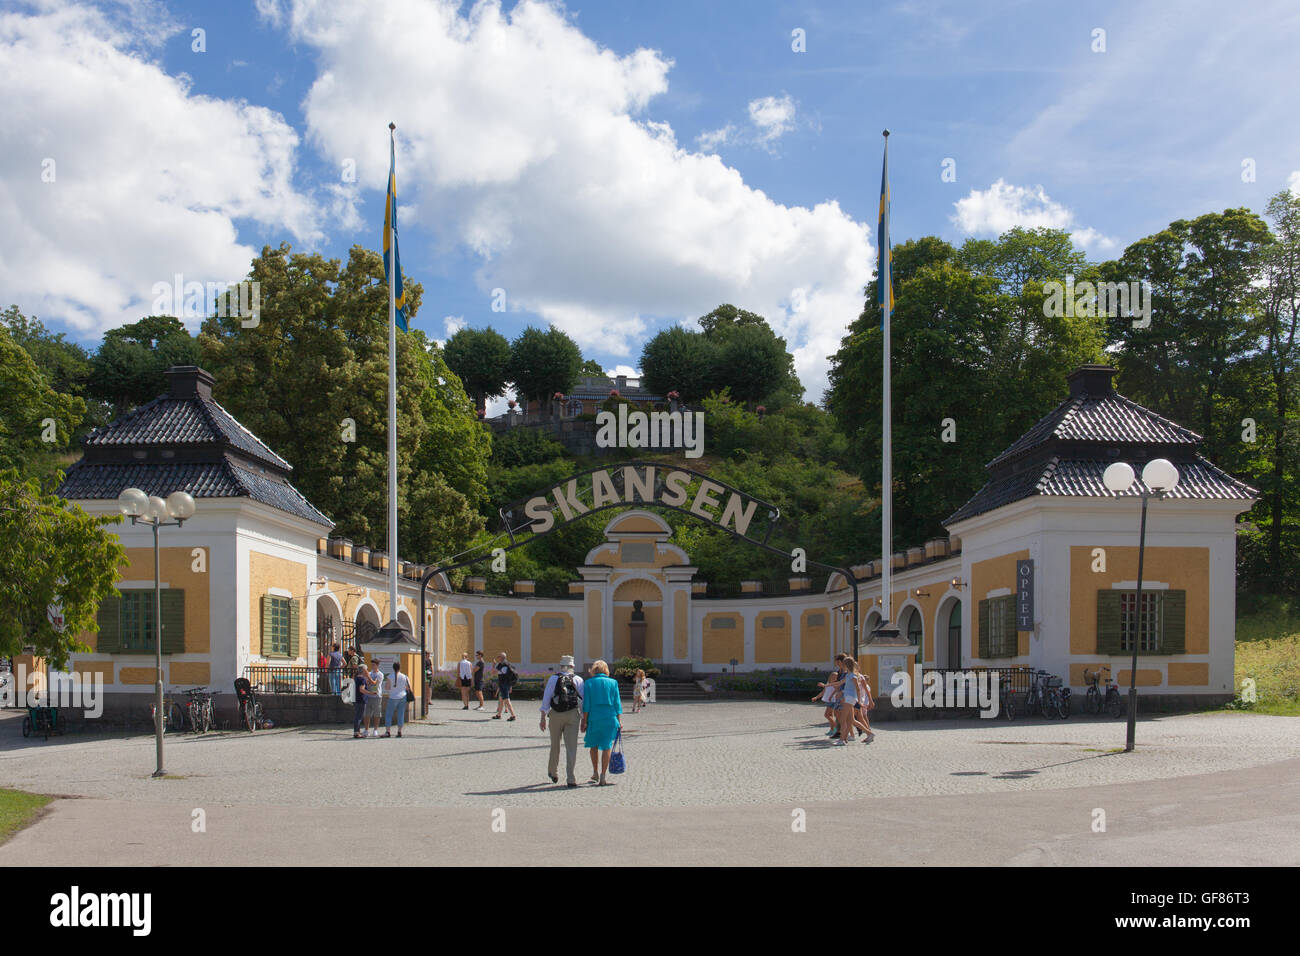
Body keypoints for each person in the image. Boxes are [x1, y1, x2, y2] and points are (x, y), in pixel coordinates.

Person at [538, 655, 585, 787]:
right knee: (572, 747)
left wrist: (543, 717)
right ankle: (571, 778)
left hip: (555, 715)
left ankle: (553, 772)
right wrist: (583, 719)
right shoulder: (578, 679)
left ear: (561, 666)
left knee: (555, 745)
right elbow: (583, 701)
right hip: (572, 714)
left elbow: (546, 698)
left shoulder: (553, 678)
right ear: (572, 667)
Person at [581, 660, 623, 785]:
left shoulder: (589, 683)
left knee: (593, 746)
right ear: (606, 670)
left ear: (594, 670)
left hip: (594, 719)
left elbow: (586, 705)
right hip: (610, 718)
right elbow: (617, 704)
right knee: (607, 746)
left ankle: (595, 772)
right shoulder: (613, 682)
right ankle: (603, 775)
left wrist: (584, 721)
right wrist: (619, 721)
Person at [814, 654, 847, 739]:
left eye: (836, 661)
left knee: (844, 716)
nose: (835, 662)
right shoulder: (840, 671)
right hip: (839, 695)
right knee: (838, 714)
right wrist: (827, 686)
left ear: (839, 661)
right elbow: (838, 683)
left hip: (844, 695)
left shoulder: (845, 671)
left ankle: (844, 733)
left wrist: (826, 686)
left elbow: (842, 683)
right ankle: (839, 732)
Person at [384, 661, 410, 738]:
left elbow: (387, 687)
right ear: (400, 668)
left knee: (389, 714)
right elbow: (408, 687)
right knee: (401, 714)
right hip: (402, 696)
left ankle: (388, 731)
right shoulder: (404, 676)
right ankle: (399, 731)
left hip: (392, 697)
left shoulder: (390, 676)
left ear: (393, 668)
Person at [493, 652, 518, 721]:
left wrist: (493, 665)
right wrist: (510, 685)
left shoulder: (501, 665)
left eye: (499, 657)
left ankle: (513, 715)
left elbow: (493, 672)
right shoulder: (508, 664)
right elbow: (508, 675)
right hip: (506, 684)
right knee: (501, 699)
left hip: (503, 684)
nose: (498, 658)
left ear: (502, 658)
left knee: (507, 700)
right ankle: (499, 715)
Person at [364, 657, 384, 737]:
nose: (372, 666)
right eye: (371, 665)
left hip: (377, 695)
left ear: (377, 665)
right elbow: (368, 683)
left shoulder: (380, 674)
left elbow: (375, 683)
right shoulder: (370, 673)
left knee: (377, 714)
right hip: (369, 695)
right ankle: (366, 730)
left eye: (374, 665)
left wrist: (368, 676)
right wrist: (367, 678)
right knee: (367, 714)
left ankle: (375, 729)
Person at [351, 657, 371, 738]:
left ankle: (356, 731)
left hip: (355, 698)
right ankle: (356, 732)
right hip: (361, 699)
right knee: (359, 716)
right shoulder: (362, 679)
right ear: (363, 671)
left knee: (357, 715)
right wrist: (370, 693)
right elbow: (362, 690)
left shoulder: (356, 678)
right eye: (366, 670)